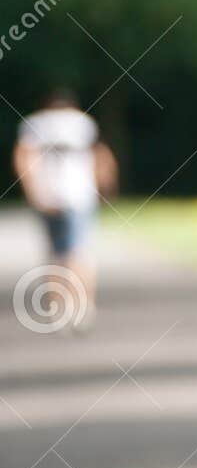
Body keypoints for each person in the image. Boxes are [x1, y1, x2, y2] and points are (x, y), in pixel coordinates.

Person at [13, 88, 118, 333]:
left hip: (46, 196)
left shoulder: (34, 124)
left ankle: (57, 307)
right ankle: (85, 306)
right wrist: (107, 186)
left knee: (55, 253)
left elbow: (22, 157)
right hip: (79, 197)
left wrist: (32, 191)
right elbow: (102, 156)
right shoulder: (83, 123)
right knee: (80, 252)